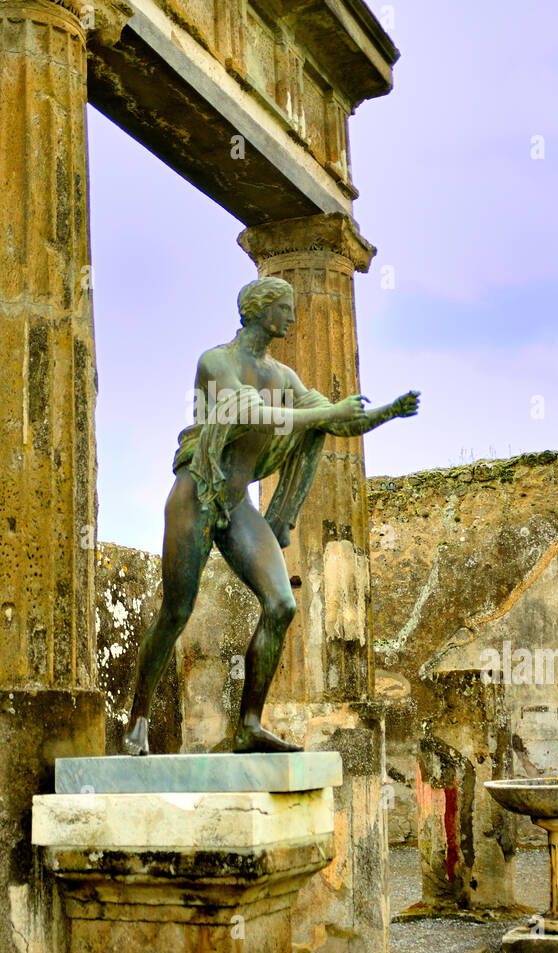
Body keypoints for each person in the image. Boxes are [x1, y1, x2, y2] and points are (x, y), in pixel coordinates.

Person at [123, 277, 420, 754]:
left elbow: (336, 418)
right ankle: (137, 718)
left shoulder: (284, 377)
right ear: (259, 310)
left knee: (281, 604)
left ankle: (248, 725)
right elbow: (257, 416)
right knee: (177, 609)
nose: (293, 317)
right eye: (285, 307)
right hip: (198, 492)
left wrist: (387, 411)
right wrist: (324, 414)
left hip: (237, 502)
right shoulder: (216, 362)